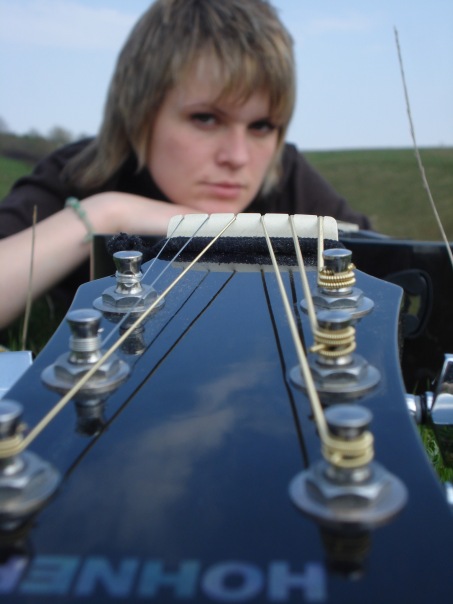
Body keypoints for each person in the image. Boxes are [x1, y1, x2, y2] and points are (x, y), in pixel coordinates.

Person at [0, 0, 370, 330]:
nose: (238, 157)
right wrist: (106, 213)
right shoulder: (79, 171)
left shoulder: (285, 174)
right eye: (206, 118)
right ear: (139, 114)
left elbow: (386, 271)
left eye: (261, 126)